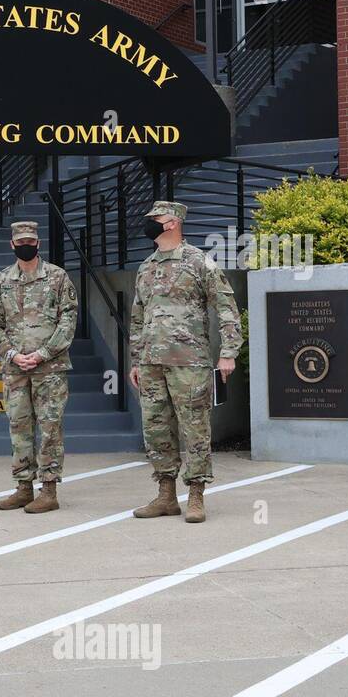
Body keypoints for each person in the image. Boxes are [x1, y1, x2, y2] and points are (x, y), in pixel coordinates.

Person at [128, 201, 243, 524]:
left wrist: (228, 352)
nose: (150, 224)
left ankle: (195, 495)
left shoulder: (198, 261)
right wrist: (136, 359)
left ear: (173, 223)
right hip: (151, 363)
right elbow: (138, 317)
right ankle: (166, 495)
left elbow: (225, 307)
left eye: (156, 219)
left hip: (189, 361)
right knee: (156, 428)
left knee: (194, 428)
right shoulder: (146, 266)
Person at [0, 220, 78, 513]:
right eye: (20, 242)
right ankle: (23, 487)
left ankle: (49, 491)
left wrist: (42, 354)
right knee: (19, 427)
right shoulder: (1, 280)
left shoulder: (57, 277)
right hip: (15, 370)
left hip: (49, 368)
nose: (26, 246)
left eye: (31, 242)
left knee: (50, 428)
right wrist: (12, 354)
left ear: (38, 244)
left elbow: (68, 320)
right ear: (13, 245)